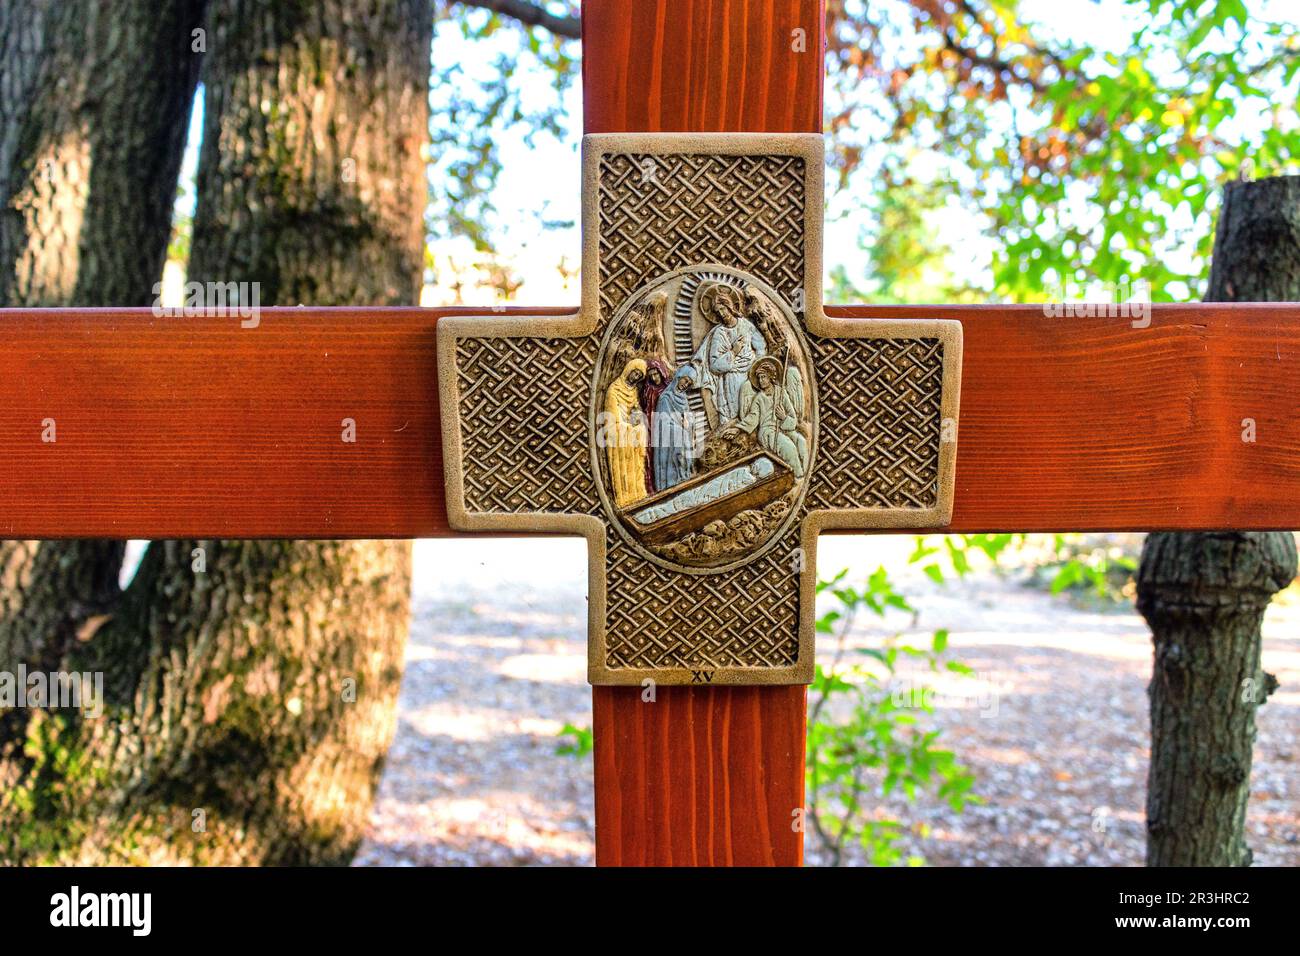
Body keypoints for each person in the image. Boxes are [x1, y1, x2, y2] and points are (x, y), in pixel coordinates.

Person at [690, 282, 766, 425]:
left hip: (751, 376)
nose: (722, 314)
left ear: (730, 306)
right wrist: (733, 351)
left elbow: (760, 346)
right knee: (735, 417)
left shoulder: (746, 325)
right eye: (718, 312)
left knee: (754, 413)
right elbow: (715, 366)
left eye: (723, 309)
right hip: (731, 380)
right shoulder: (719, 333)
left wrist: (758, 366)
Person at [727, 355, 808, 477]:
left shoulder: (780, 392)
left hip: (782, 428)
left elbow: (793, 418)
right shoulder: (759, 398)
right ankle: (797, 476)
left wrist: (784, 418)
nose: (761, 381)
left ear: (771, 377)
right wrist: (738, 429)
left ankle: (808, 475)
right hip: (767, 432)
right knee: (789, 448)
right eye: (759, 378)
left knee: (801, 441)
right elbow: (752, 417)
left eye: (764, 377)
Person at [604, 359, 649, 507]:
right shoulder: (614, 390)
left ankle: (638, 493)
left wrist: (638, 420)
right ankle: (625, 498)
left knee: (642, 431)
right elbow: (613, 420)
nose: (635, 377)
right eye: (634, 372)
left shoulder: (634, 391)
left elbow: (636, 410)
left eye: (638, 375)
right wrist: (628, 427)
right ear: (628, 370)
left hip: (630, 432)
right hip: (618, 435)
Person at [652, 365, 700, 493]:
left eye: (689, 384)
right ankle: (671, 483)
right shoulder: (665, 398)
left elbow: (688, 419)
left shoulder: (684, 399)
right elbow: (663, 424)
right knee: (682, 436)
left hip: (681, 436)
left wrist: (689, 423)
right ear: (679, 377)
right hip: (669, 443)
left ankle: (684, 476)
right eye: (685, 380)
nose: (685, 385)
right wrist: (680, 429)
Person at [639, 358, 672, 492]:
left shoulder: (669, 388)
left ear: (662, 373)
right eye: (651, 375)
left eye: (656, 374)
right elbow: (645, 408)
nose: (654, 377)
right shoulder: (649, 391)